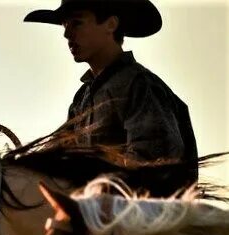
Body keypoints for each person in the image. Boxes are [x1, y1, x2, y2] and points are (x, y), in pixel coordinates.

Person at [25, 0, 198, 188]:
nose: (67, 34)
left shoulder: (139, 84)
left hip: (136, 212)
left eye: (77, 23)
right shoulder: (81, 98)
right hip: (94, 211)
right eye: (65, 26)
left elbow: (153, 162)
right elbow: (59, 154)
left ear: (110, 25)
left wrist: (94, 187)